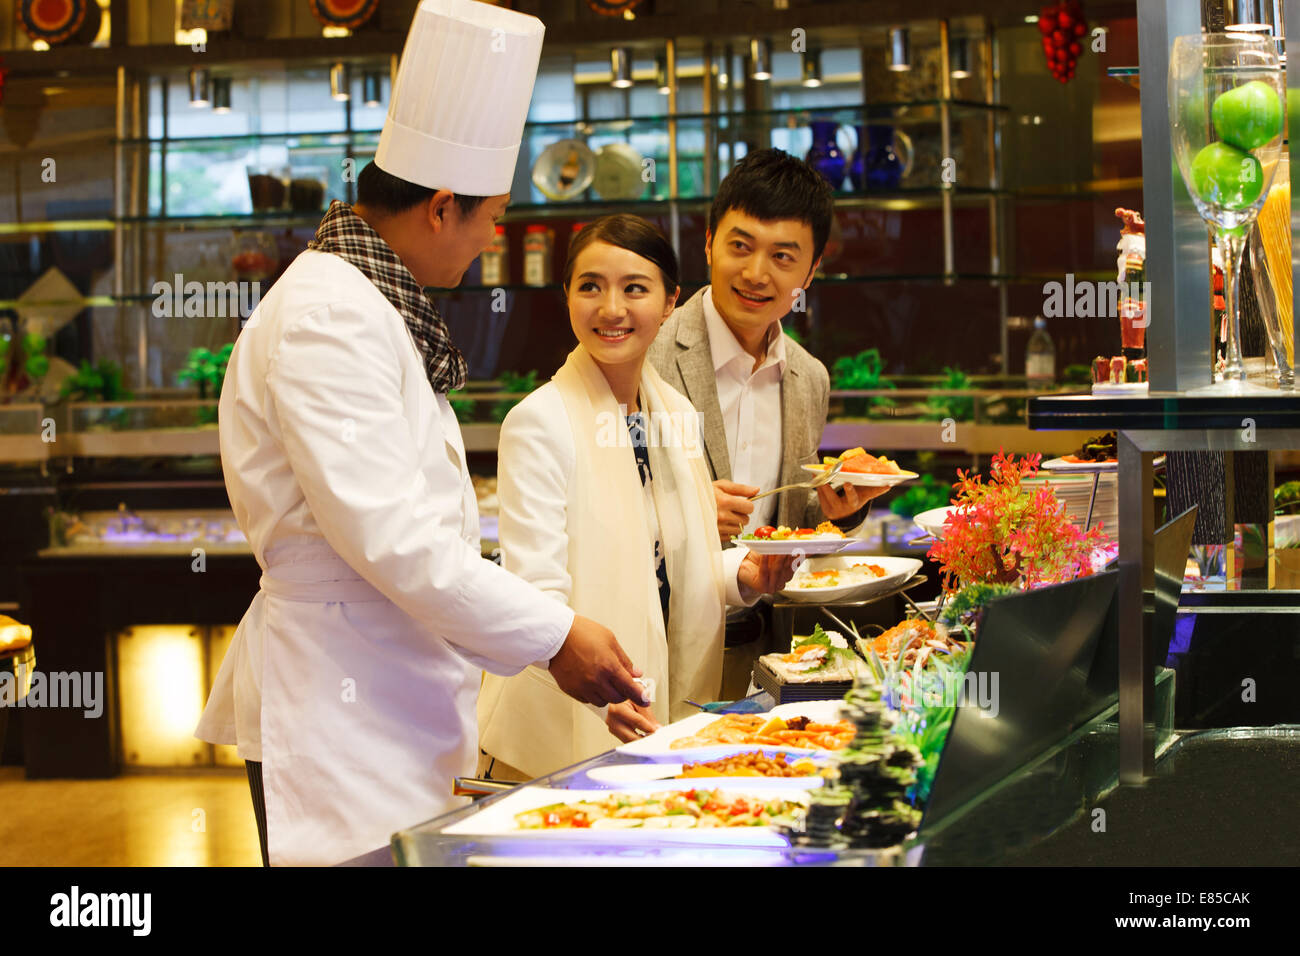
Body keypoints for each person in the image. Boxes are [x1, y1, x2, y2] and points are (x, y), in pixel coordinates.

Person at [194, 0, 646, 866]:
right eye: (488, 222)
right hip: (337, 712)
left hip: (386, 698)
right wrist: (554, 636)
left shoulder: (364, 302)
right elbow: (395, 539)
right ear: (441, 207)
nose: (488, 245)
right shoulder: (328, 314)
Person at [477, 216, 796, 780]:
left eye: (635, 288)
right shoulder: (539, 423)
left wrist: (743, 577)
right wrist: (603, 694)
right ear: (568, 296)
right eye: (590, 286)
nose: (611, 309)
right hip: (559, 732)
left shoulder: (670, 412)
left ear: (671, 300)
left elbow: (670, 564)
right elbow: (536, 598)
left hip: (655, 715)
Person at [647, 148, 888, 693]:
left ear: (812, 269)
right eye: (740, 246)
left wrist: (841, 509)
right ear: (708, 243)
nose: (756, 274)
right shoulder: (646, 354)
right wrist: (684, 509)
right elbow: (593, 499)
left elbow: (794, 517)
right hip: (654, 650)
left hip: (767, 652)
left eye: (783, 257)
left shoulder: (808, 377)